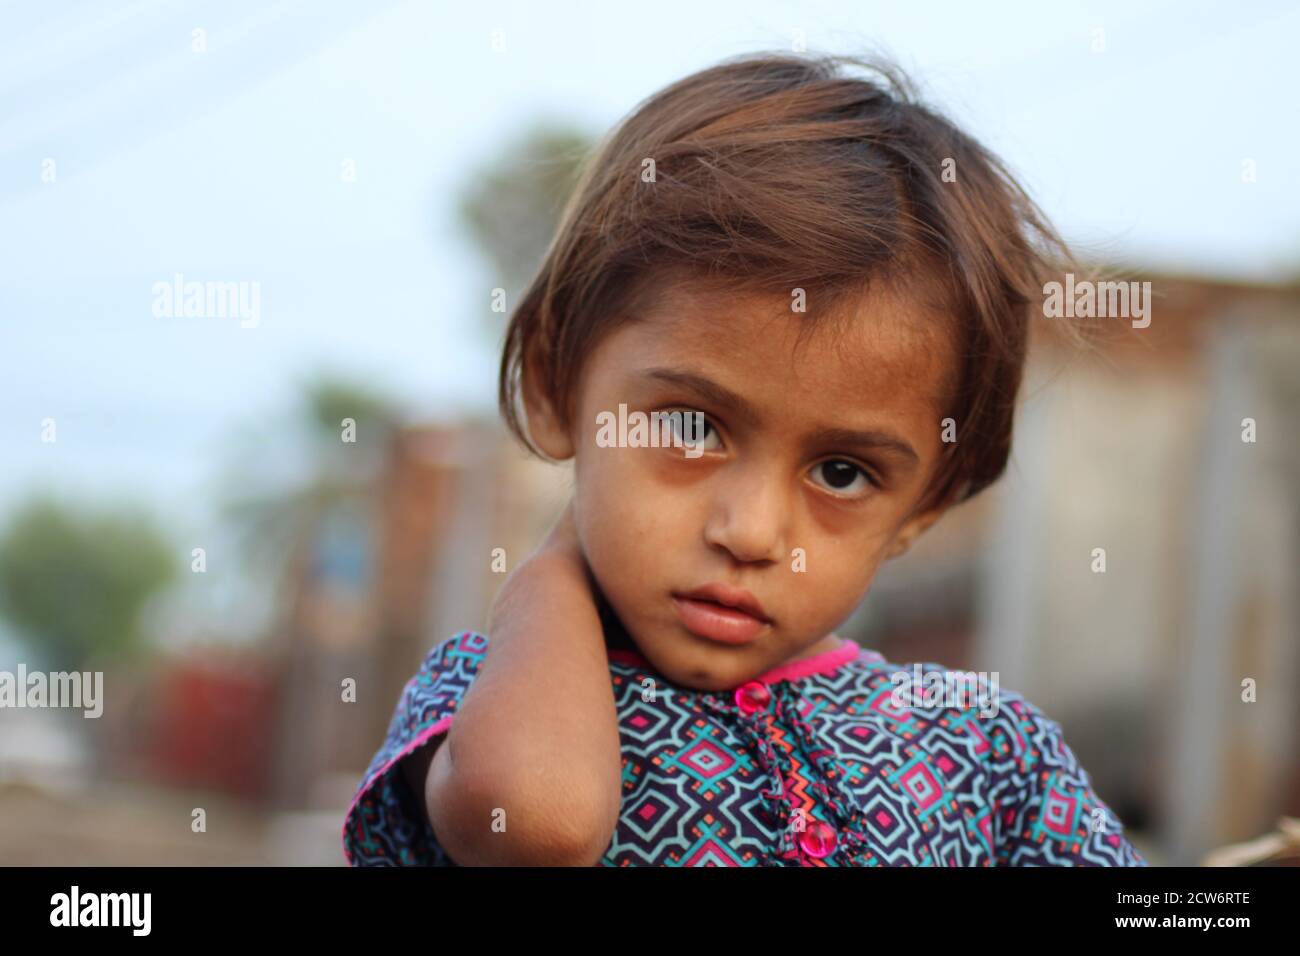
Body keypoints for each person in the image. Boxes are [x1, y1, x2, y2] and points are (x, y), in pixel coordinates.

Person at [341, 50, 1148, 867]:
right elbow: (540, 824)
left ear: (923, 506)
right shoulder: (489, 694)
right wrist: (552, 572)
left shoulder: (984, 748)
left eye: (842, 472)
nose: (753, 532)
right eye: (693, 429)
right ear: (555, 389)